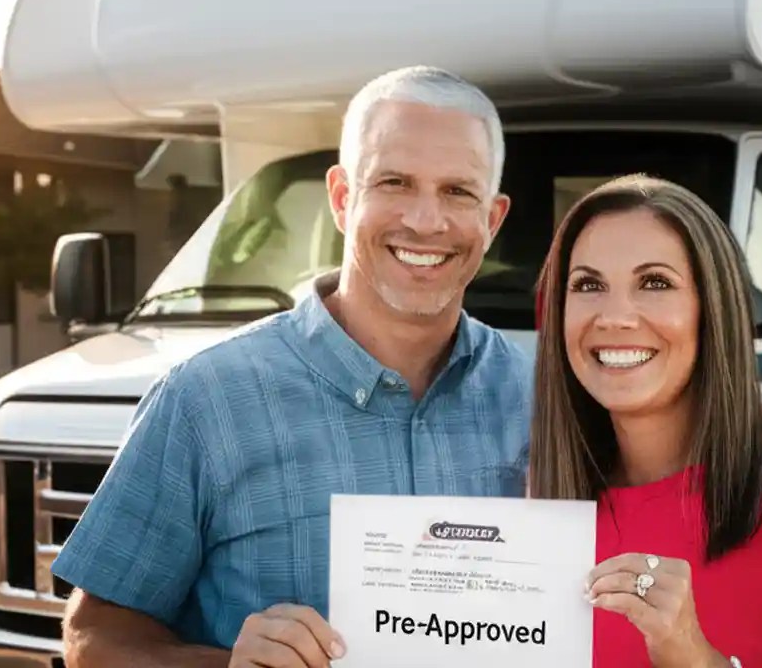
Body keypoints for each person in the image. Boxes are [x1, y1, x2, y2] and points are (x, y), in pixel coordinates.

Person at [51, 65, 531, 667]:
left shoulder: (538, 399)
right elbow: (93, 636)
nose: (425, 221)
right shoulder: (207, 398)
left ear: (492, 219)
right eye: (394, 182)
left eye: (458, 191)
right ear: (341, 198)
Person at [528, 174, 762, 667]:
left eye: (655, 283)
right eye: (588, 285)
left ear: (713, 311)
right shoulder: (535, 506)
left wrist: (695, 658)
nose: (614, 316)